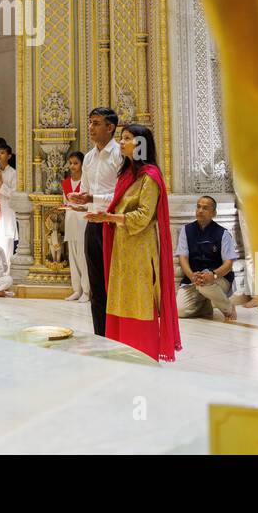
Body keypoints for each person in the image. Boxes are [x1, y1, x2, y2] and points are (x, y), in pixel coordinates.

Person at [84, 123, 181, 362]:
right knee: (120, 298)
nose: (122, 143)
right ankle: (120, 350)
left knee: (139, 300)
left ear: (141, 144)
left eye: (127, 138)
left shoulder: (150, 176)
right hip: (122, 248)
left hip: (140, 249)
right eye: (122, 138)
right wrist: (90, 206)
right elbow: (117, 204)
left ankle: (142, 353)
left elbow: (143, 217)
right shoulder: (127, 174)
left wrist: (108, 217)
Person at [72, 108, 123, 335]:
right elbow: (85, 191)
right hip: (93, 225)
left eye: (96, 123)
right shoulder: (90, 157)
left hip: (114, 224)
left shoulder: (120, 155)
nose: (91, 128)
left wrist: (94, 199)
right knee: (96, 284)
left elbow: (124, 196)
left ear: (110, 127)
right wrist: (79, 200)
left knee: (115, 283)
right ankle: (100, 334)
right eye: (90, 123)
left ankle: (119, 332)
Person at [175, 196, 237, 322]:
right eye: (198, 207)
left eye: (205, 208)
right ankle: (205, 306)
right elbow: (183, 258)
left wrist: (213, 275)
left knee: (205, 284)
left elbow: (228, 264)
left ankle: (228, 308)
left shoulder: (223, 233)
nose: (200, 210)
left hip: (218, 279)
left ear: (214, 213)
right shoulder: (186, 231)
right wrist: (191, 275)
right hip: (194, 279)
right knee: (179, 311)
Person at [60, 150, 89, 302]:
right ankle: (76, 289)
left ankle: (86, 290)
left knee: (83, 256)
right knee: (73, 255)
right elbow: (65, 202)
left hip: (83, 219)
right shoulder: (65, 182)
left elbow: (89, 203)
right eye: (70, 163)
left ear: (82, 165)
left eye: (76, 163)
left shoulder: (86, 181)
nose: (72, 166)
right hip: (71, 220)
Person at [0, 143, 21, 260]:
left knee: (6, 246)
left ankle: (6, 274)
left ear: (9, 156)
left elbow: (14, 194)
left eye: (2, 153)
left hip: (7, 212)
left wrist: (1, 184)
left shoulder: (13, 173)